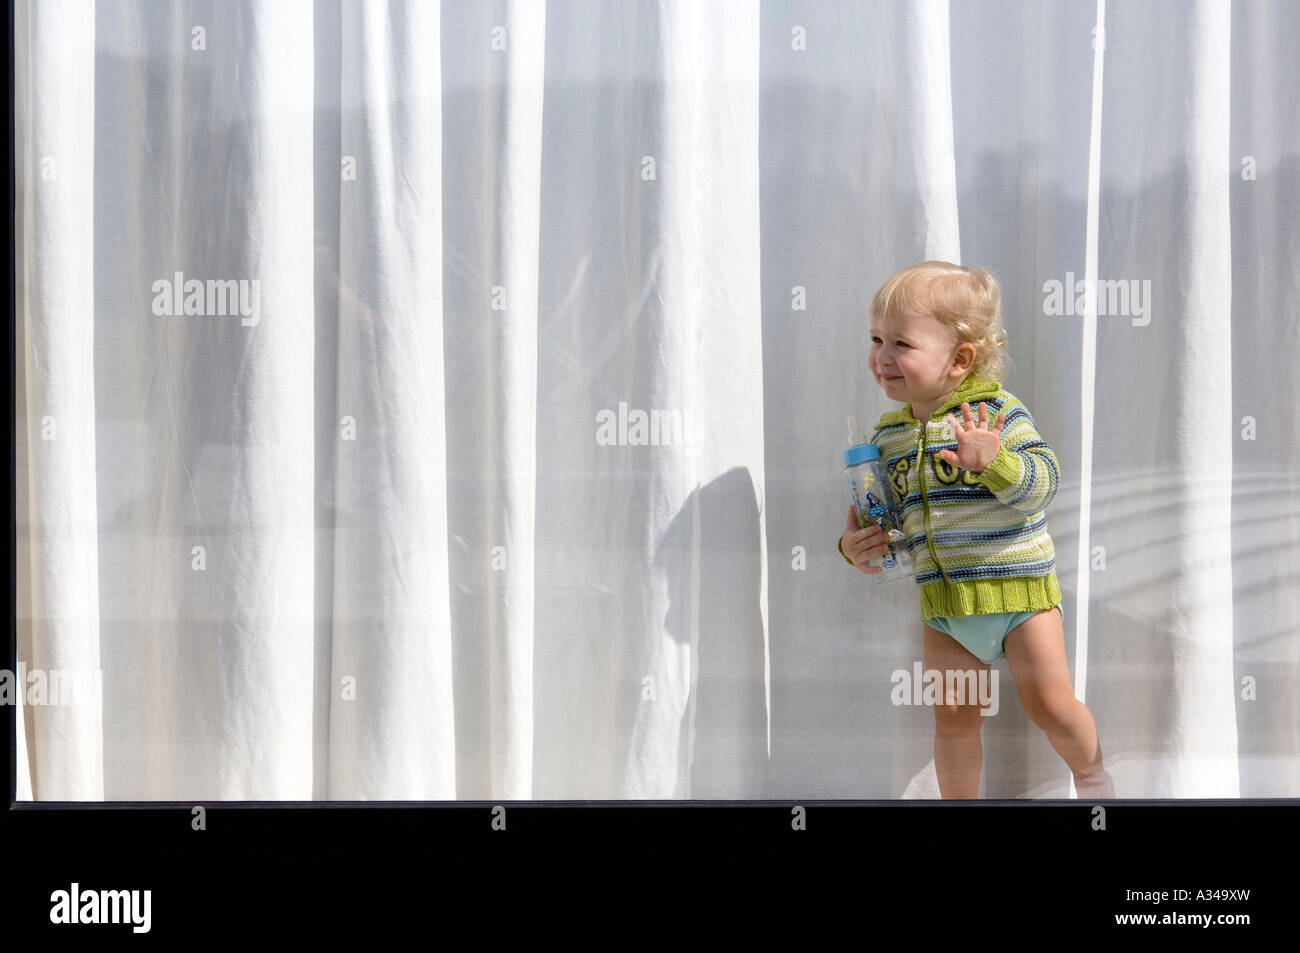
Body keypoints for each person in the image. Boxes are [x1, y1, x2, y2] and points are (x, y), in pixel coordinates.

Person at [838, 260, 1114, 800]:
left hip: (1020, 596)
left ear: (961, 359)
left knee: (1051, 706)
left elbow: (1044, 486)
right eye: (876, 339)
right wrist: (855, 546)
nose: (882, 357)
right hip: (945, 608)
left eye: (902, 344)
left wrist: (994, 463)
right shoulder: (886, 439)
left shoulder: (995, 414)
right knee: (955, 719)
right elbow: (887, 524)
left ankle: (1094, 778)